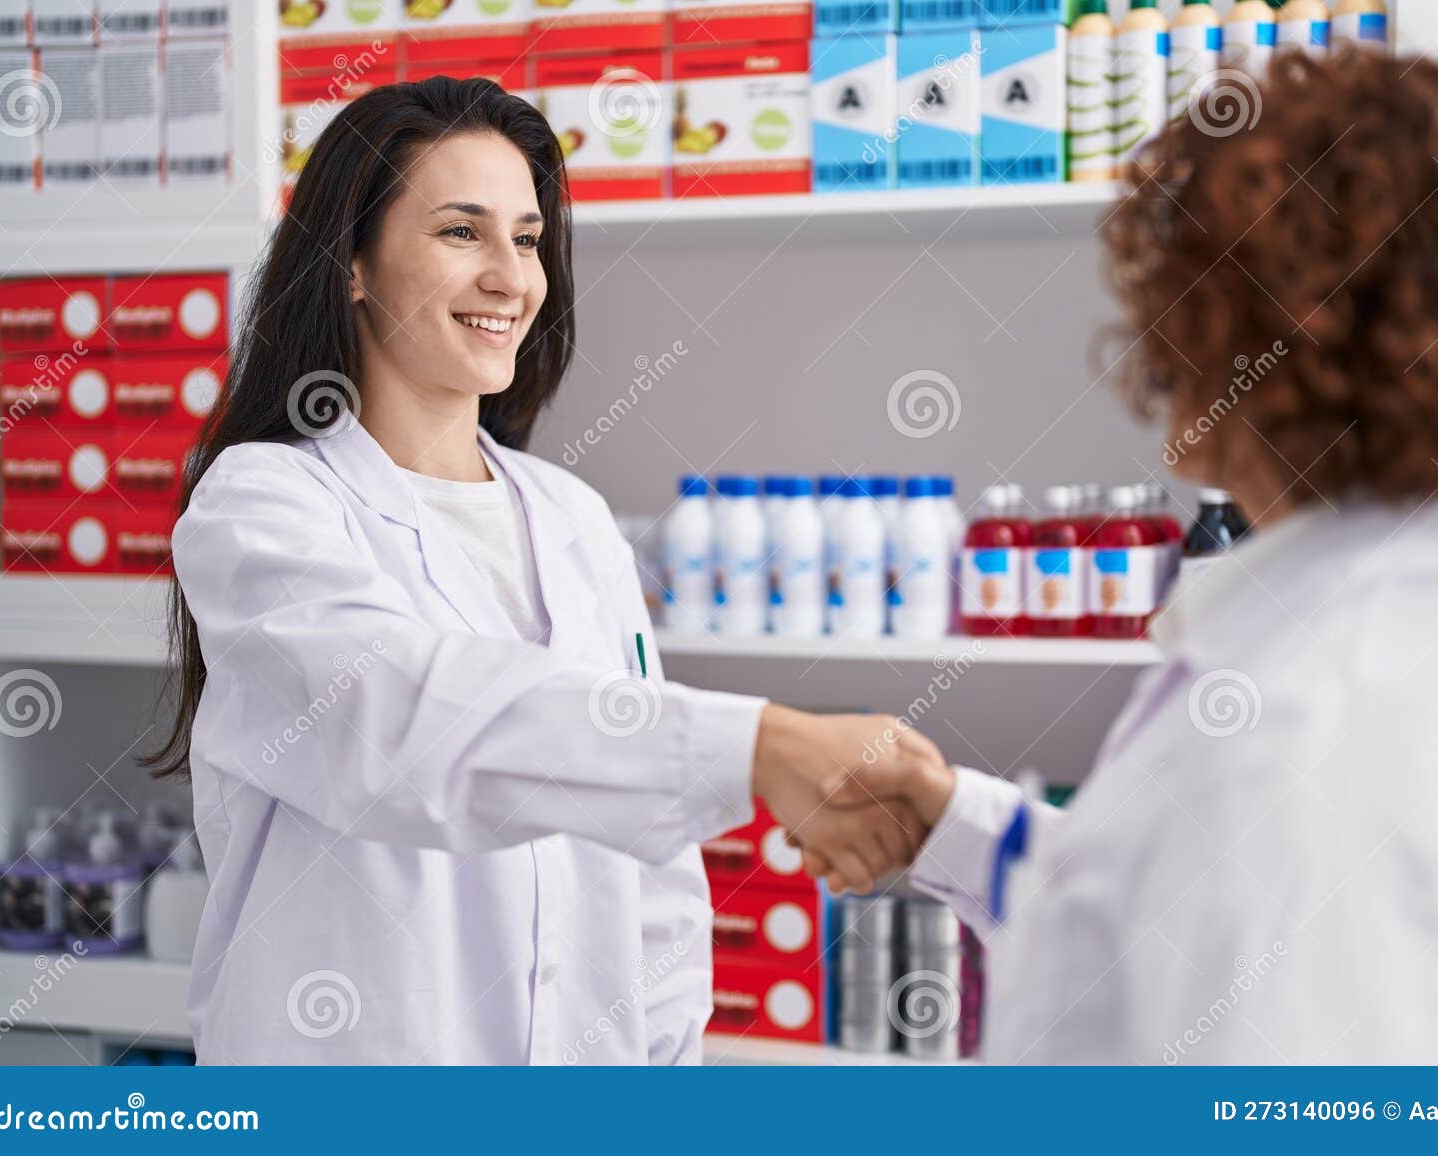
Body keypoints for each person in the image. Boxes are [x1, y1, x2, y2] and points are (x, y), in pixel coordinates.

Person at [145, 78, 935, 1064]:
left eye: (526, 238)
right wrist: (757, 746)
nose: (510, 278)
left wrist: (665, 1057)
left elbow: (647, 868)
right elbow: (403, 724)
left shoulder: (571, 517)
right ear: (351, 262)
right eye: (460, 232)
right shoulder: (261, 508)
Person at [805, 51, 1438, 1062]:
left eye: (1187, 294)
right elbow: (1172, 921)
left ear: (1276, 339)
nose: (1153, 341)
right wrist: (960, 823)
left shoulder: (1310, 729)